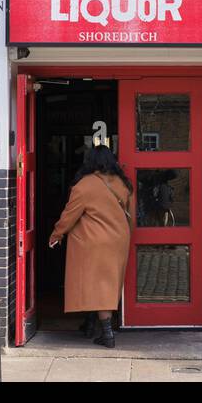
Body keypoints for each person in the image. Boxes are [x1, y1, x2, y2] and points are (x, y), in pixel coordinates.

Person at [48, 141, 134, 348]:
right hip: (119, 240)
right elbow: (131, 215)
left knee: (97, 285)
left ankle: (107, 335)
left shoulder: (85, 185)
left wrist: (56, 235)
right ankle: (90, 324)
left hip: (94, 242)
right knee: (103, 283)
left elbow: (69, 216)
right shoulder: (123, 184)